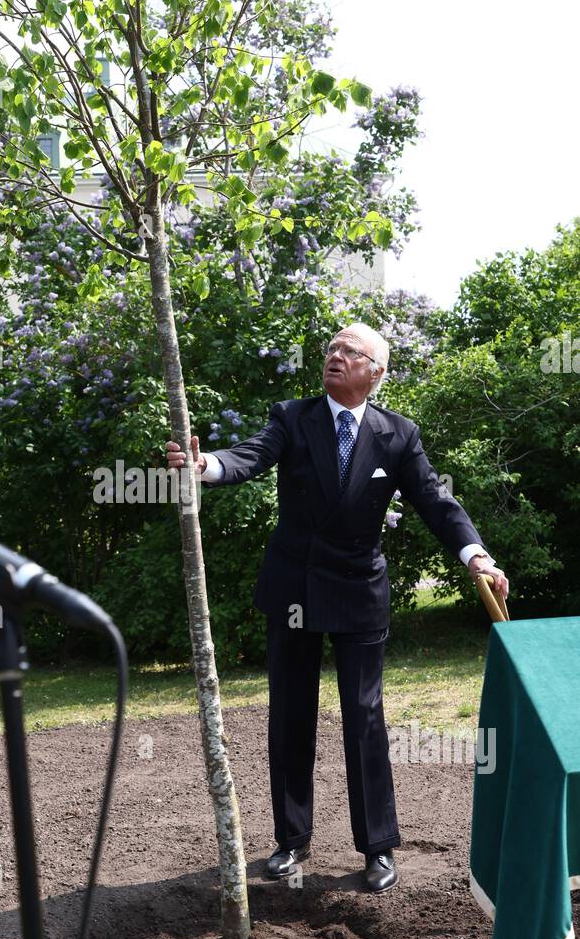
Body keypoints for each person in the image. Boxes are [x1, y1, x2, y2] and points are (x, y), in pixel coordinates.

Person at [165, 324, 509, 894]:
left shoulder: (398, 434)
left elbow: (436, 500)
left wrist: (476, 557)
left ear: (375, 372)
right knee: (291, 713)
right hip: (294, 589)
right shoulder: (292, 417)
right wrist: (206, 467)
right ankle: (291, 840)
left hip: (358, 590)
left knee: (365, 716)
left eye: (351, 351)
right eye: (332, 348)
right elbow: (250, 456)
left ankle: (377, 847)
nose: (336, 355)